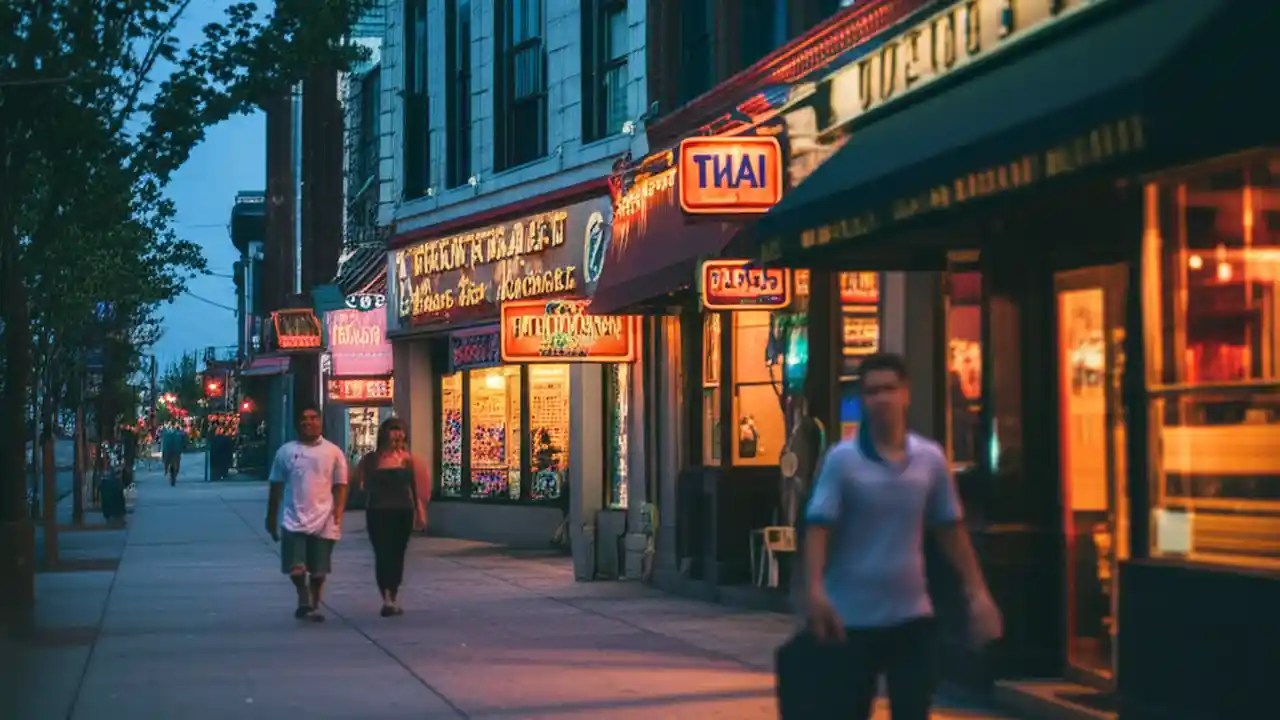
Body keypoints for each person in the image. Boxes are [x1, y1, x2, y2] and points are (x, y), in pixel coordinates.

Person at [802, 352, 1002, 720]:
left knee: (913, 710)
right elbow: (819, 526)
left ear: (906, 393)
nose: (881, 399)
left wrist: (977, 592)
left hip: (911, 616)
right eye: (872, 391)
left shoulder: (929, 459)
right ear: (862, 399)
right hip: (851, 619)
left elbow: (950, 531)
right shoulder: (842, 461)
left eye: (889, 389)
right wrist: (814, 590)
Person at [265, 405, 350, 622]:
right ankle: (303, 595)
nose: (308, 422)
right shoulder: (285, 452)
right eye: (303, 418)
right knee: (296, 569)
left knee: (319, 572)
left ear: (320, 422)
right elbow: (276, 486)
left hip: (325, 519)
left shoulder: (333, 452)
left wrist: (338, 513)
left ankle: (313, 604)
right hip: (293, 518)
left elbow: (341, 486)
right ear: (297, 424)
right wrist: (271, 517)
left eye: (313, 418)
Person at [350, 417, 429, 617]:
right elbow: (360, 484)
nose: (397, 435)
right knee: (382, 553)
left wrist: (420, 511)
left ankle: (392, 595)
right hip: (378, 511)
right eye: (393, 430)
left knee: (398, 554)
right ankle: (385, 597)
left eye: (400, 431)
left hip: (402, 510)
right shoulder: (371, 460)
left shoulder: (409, 460)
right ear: (384, 434)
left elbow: (416, 488)